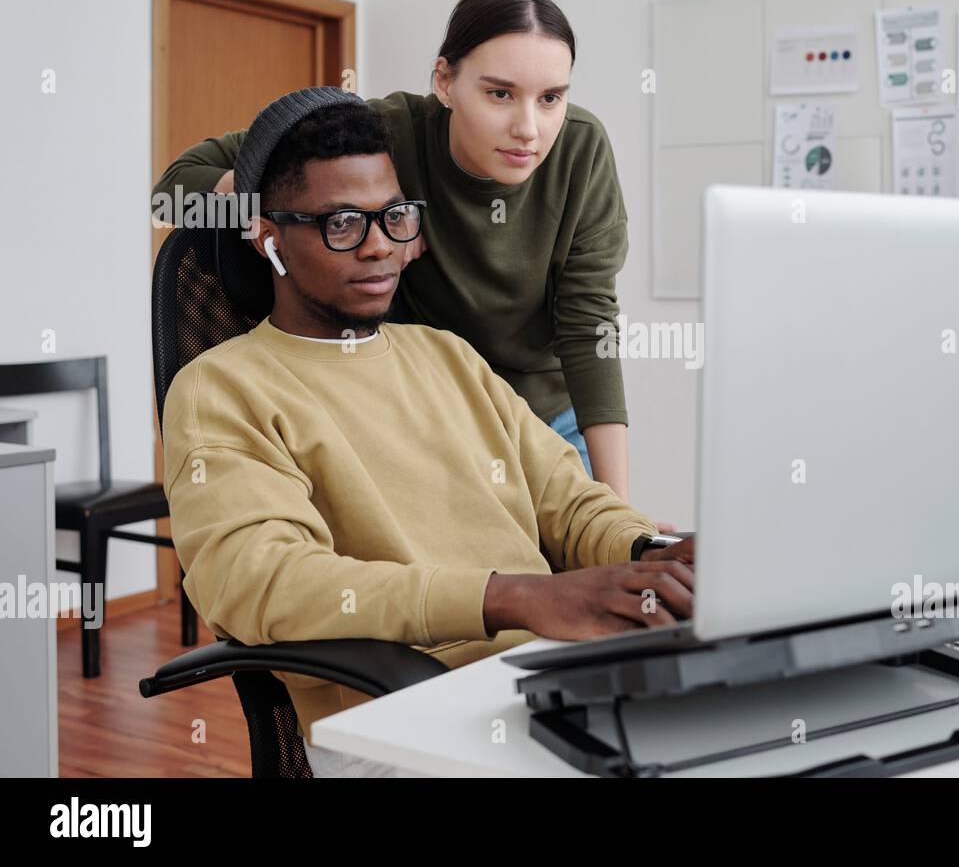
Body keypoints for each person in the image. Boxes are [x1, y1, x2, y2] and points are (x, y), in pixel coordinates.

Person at [161, 87, 694, 776]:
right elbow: (263, 583)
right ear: (269, 237)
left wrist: (654, 553)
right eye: (344, 223)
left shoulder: (445, 354)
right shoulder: (221, 389)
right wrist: (517, 596)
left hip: (547, 673)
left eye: (395, 217)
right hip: (394, 719)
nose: (383, 247)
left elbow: (567, 499)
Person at [154, 0, 664, 519]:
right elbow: (172, 196)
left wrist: (619, 508)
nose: (528, 129)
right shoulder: (388, 134)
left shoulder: (580, 150)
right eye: (499, 93)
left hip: (544, 416)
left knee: (592, 566)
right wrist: (379, 211)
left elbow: (588, 324)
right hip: (430, 413)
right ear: (445, 81)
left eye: (551, 98)